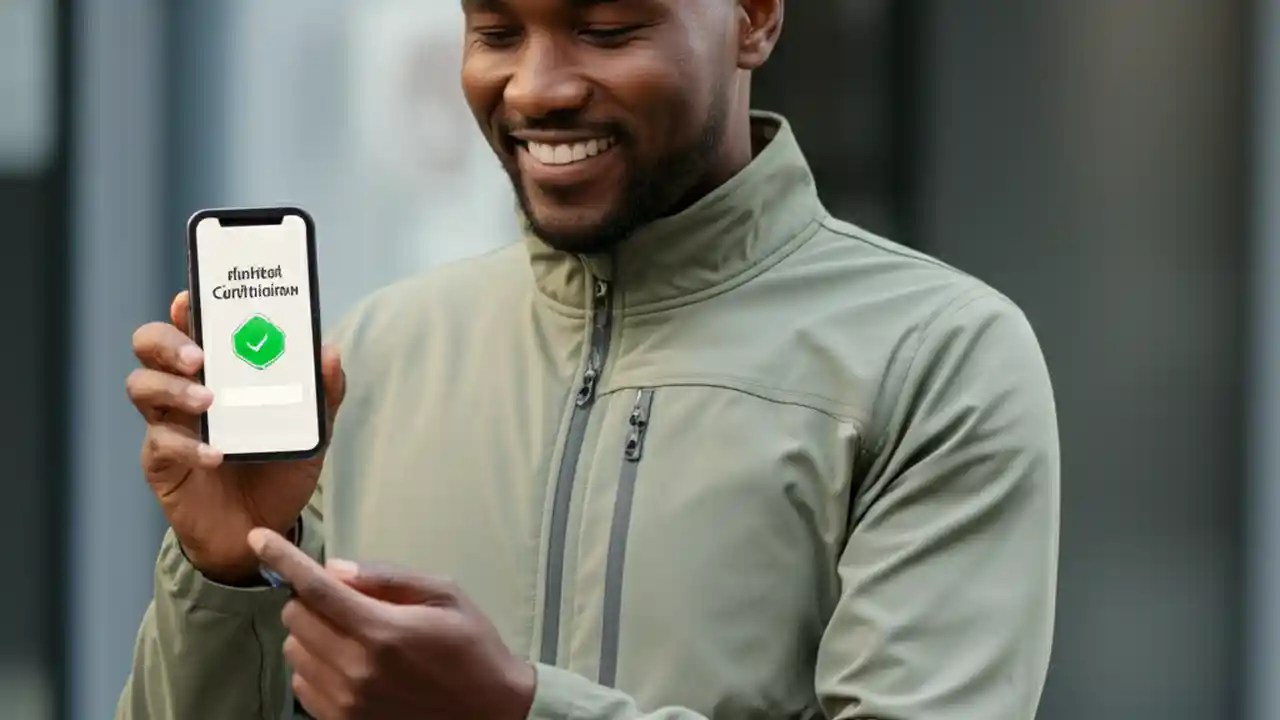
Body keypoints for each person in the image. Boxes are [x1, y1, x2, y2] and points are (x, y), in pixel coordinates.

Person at [117, 0, 1060, 718]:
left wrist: (519, 707)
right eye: (495, 31)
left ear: (755, 17)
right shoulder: (375, 355)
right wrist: (223, 575)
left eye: (605, 28)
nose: (536, 87)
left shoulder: (936, 359)